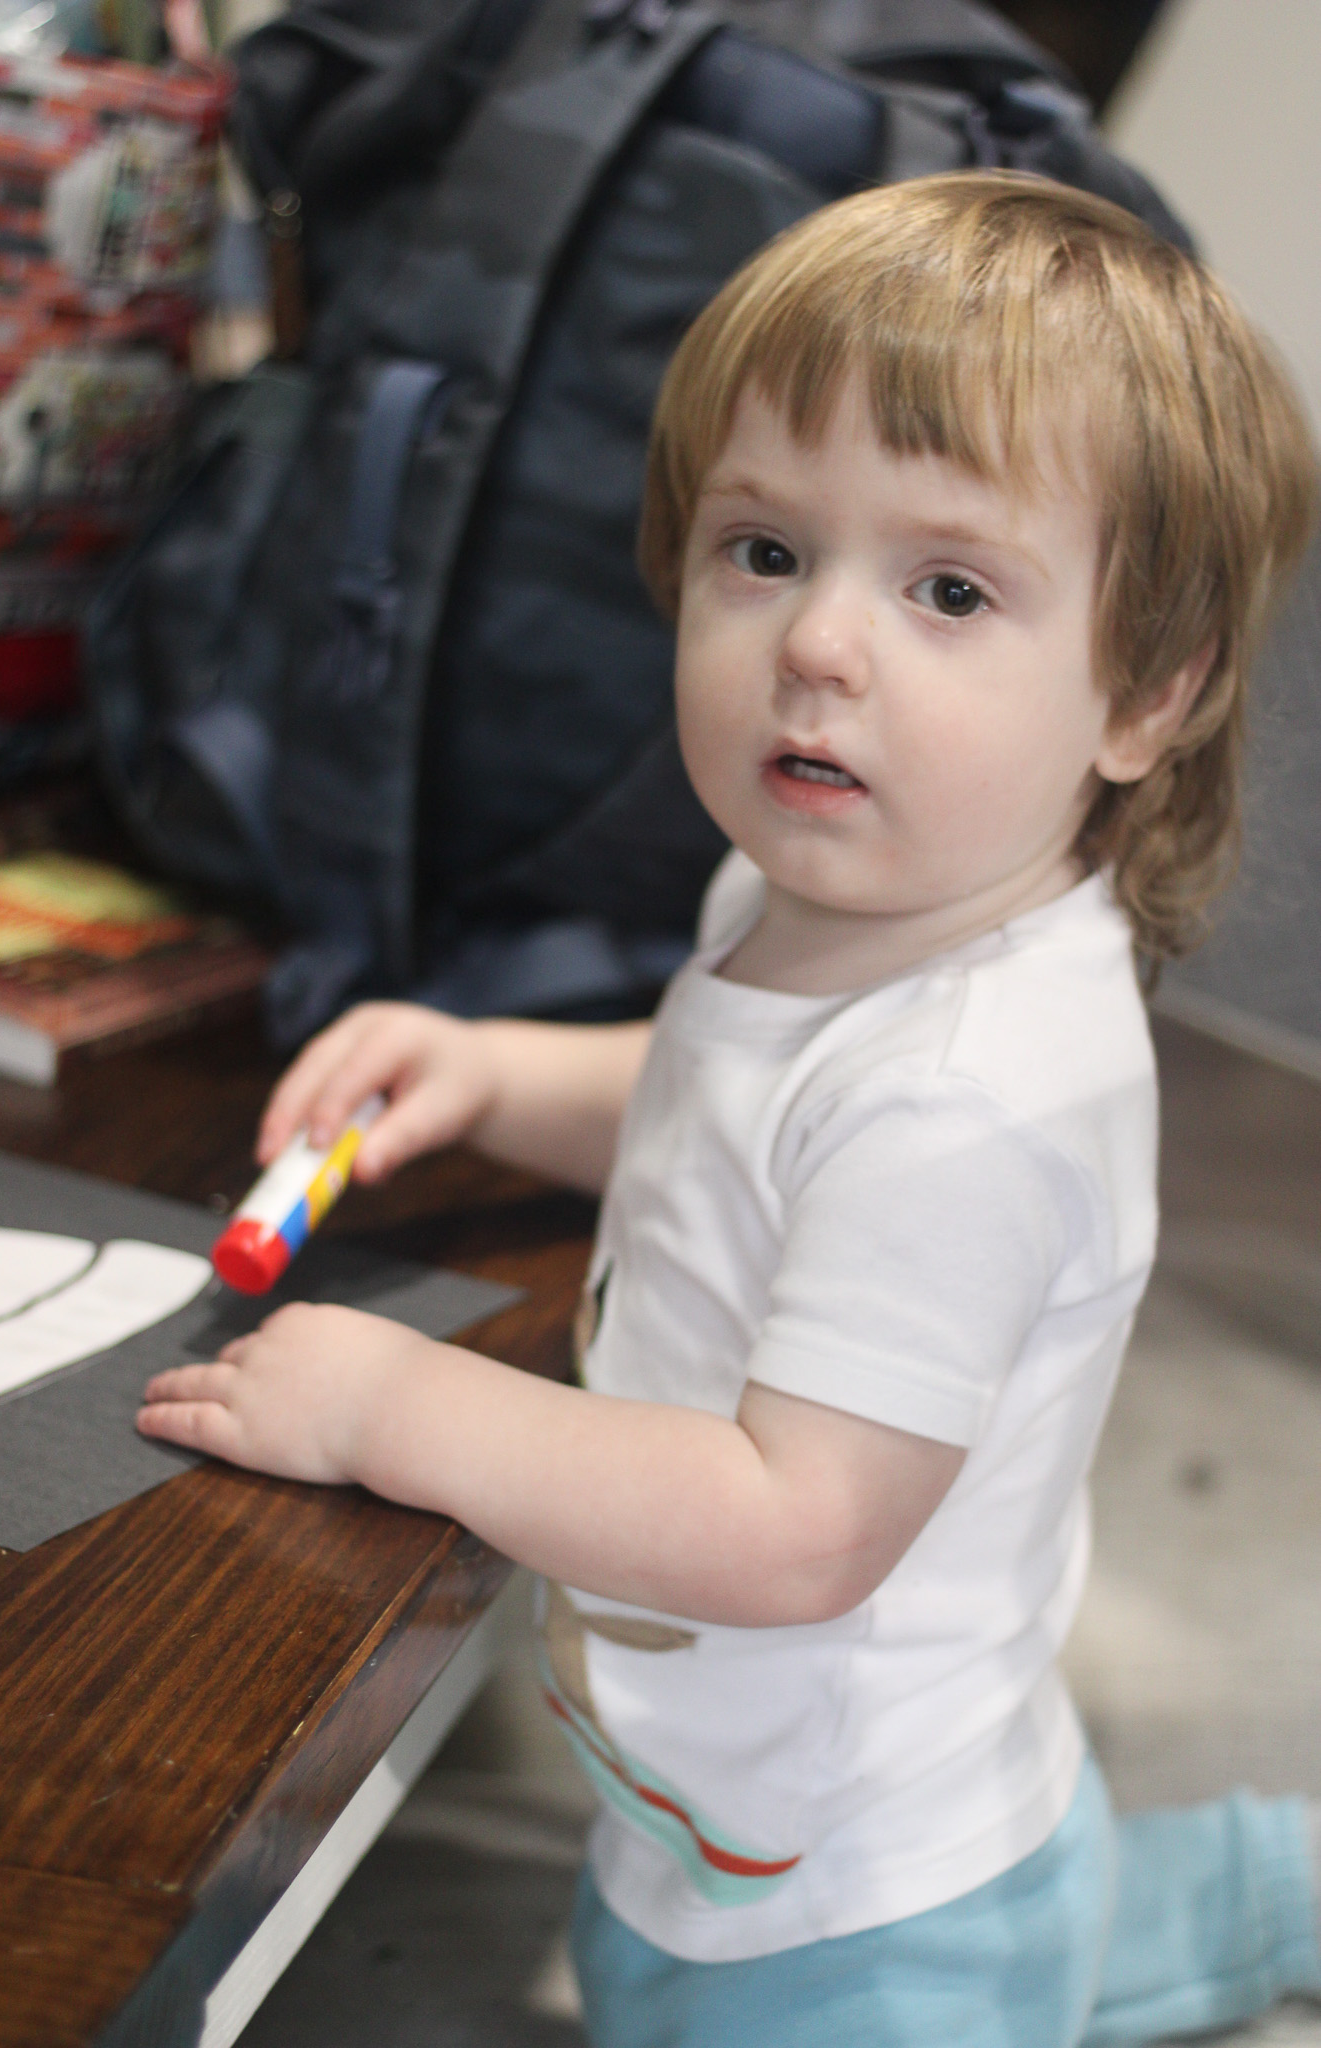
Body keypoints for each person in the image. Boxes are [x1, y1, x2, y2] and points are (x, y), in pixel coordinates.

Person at [138, 172, 1321, 2046]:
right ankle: (1242, 1890)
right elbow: (729, 1127)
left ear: (1146, 693)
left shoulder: (968, 1102)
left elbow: (792, 1526)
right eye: (765, 550)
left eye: (946, 587)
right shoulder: (834, 892)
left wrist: (398, 1400)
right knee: (1025, 1918)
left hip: (863, 1933)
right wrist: (493, 1073)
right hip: (786, 1804)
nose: (819, 644)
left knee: (977, 1965)